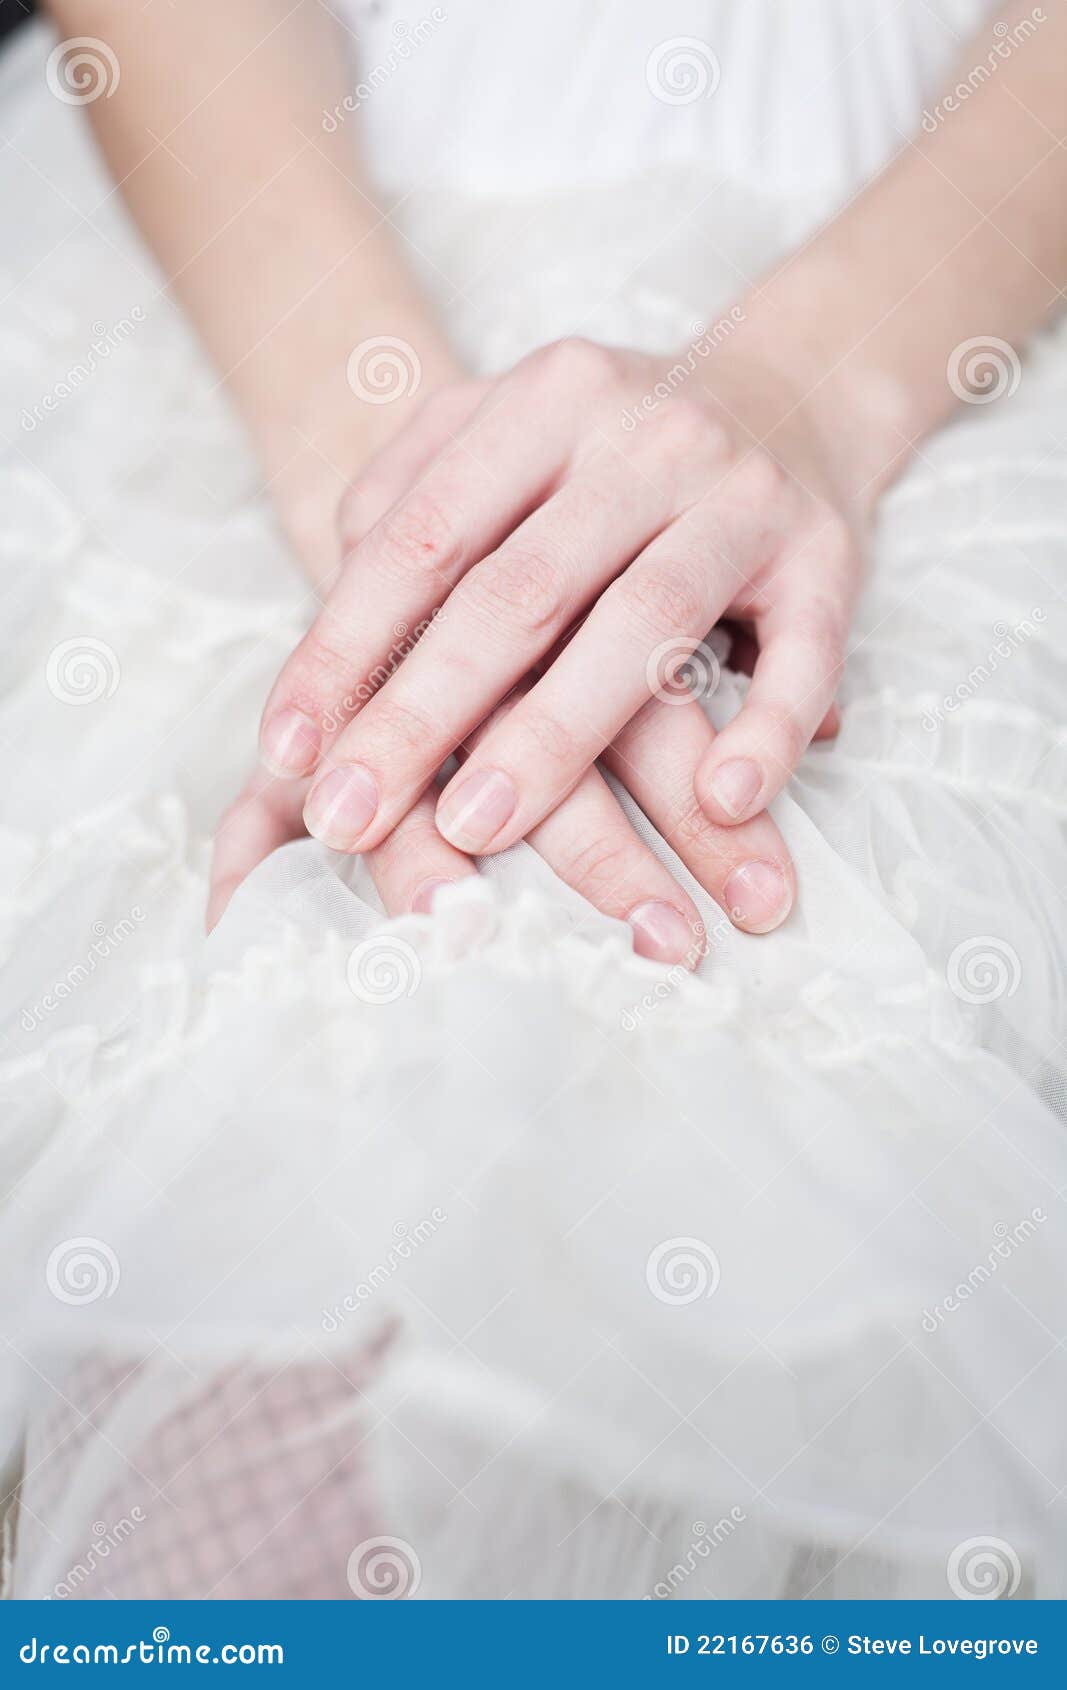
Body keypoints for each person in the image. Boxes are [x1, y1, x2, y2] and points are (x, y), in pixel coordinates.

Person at [2, 0, 1065, 1599]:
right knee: (275, 1429)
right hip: (268, 224)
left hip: (968, 259)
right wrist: (419, 509)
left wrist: (809, 382)